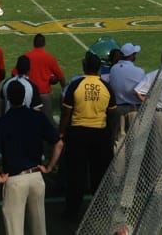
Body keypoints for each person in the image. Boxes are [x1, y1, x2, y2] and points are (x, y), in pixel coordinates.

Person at [0, 79, 64, 235]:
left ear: (8, 98)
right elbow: (58, 144)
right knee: (39, 229)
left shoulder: (2, 123)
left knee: (14, 230)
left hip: (15, 180)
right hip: (36, 176)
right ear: (25, 96)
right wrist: (49, 167)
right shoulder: (37, 117)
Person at [60, 51, 115, 221]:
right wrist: (108, 135)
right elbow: (111, 114)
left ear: (84, 66)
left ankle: (72, 211)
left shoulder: (76, 84)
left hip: (78, 133)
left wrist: (62, 133)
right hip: (100, 133)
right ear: (99, 67)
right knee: (99, 175)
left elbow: (67, 113)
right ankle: (100, 210)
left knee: (76, 176)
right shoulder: (107, 87)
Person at [107, 42, 144, 153]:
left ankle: (117, 169)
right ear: (131, 56)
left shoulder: (114, 69)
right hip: (134, 109)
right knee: (135, 141)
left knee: (118, 141)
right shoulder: (139, 71)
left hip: (118, 109)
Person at [22, 34, 66, 124]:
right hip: (45, 94)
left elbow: (14, 73)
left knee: (30, 121)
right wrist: (65, 91)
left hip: (30, 94)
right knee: (46, 121)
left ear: (34, 43)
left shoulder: (26, 57)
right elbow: (60, 76)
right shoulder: (50, 58)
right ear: (44, 43)